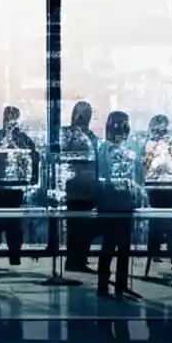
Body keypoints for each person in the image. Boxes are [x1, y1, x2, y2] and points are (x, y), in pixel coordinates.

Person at [0, 106, 37, 276]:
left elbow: (31, 158)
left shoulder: (21, 139)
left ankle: (11, 256)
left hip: (12, 189)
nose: (10, 120)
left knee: (11, 226)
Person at [96, 111, 143, 301]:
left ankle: (114, 286)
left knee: (119, 247)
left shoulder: (110, 149)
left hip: (119, 202)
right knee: (115, 247)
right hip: (115, 202)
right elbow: (101, 175)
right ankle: (112, 286)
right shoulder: (107, 149)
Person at [142, 114, 172, 276]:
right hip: (155, 186)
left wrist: (171, 149)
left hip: (171, 186)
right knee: (159, 219)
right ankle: (163, 253)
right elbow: (145, 166)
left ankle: (164, 253)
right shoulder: (149, 144)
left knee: (166, 218)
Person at [62, 101, 101, 273]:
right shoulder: (69, 135)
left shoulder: (88, 136)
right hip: (75, 188)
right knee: (77, 225)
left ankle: (78, 259)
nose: (83, 117)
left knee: (84, 225)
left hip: (86, 187)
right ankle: (75, 260)